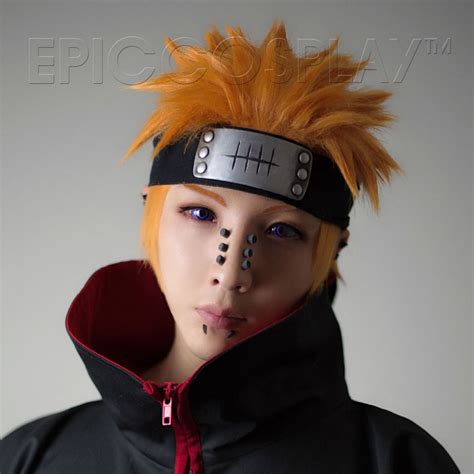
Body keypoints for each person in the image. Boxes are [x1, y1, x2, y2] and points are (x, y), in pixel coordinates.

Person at [0, 20, 460, 474]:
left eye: (282, 231)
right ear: (150, 213)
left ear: (331, 253)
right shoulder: (28, 459)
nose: (231, 274)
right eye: (201, 214)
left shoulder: (397, 461)